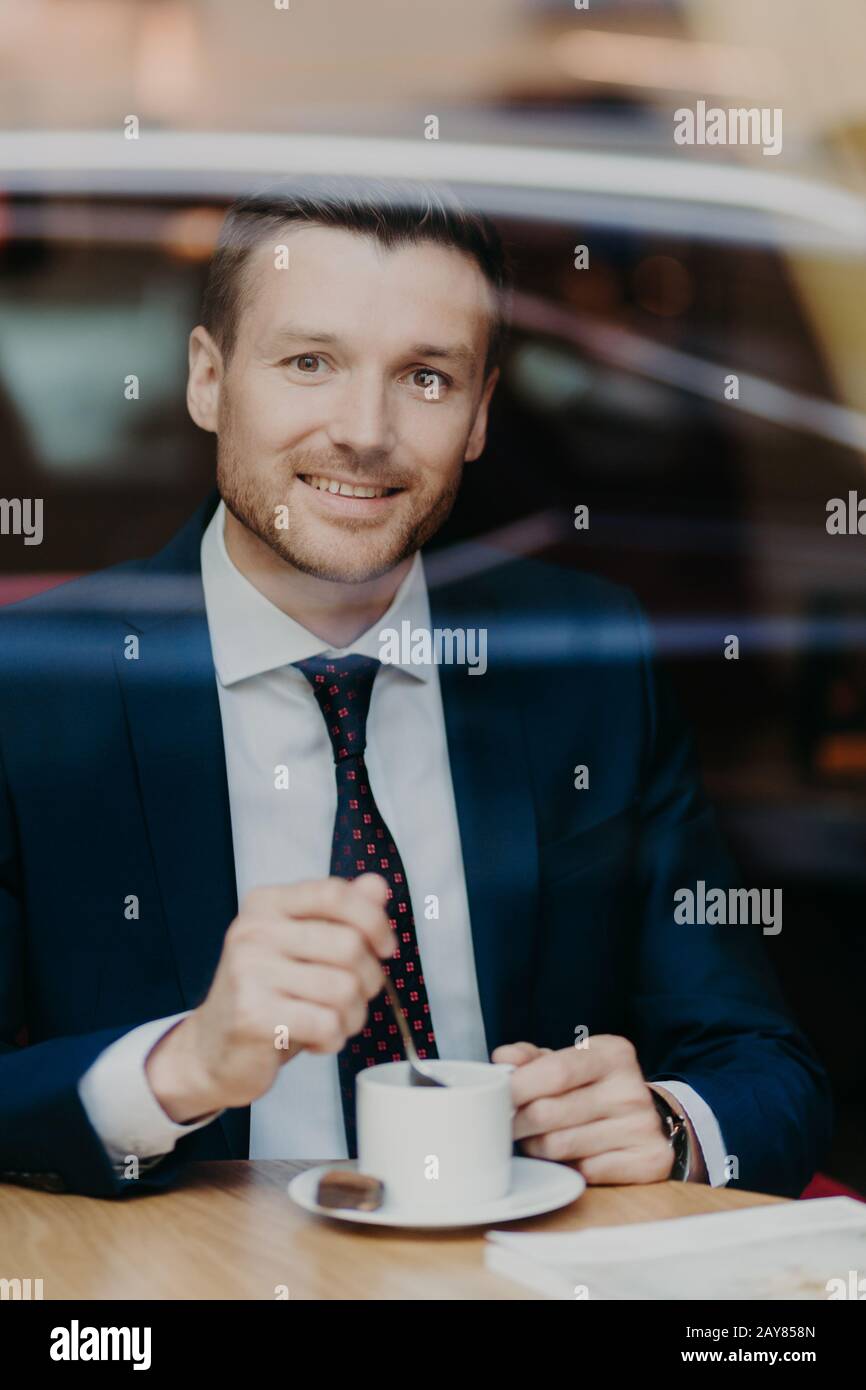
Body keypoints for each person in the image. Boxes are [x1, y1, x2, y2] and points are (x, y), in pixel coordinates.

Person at [0, 178, 830, 1199]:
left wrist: (665, 1121)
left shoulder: (585, 659)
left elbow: (765, 1071)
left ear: (480, 414)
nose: (364, 430)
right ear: (208, 380)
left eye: (425, 378)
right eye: (310, 362)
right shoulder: (34, 684)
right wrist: (176, 1067)